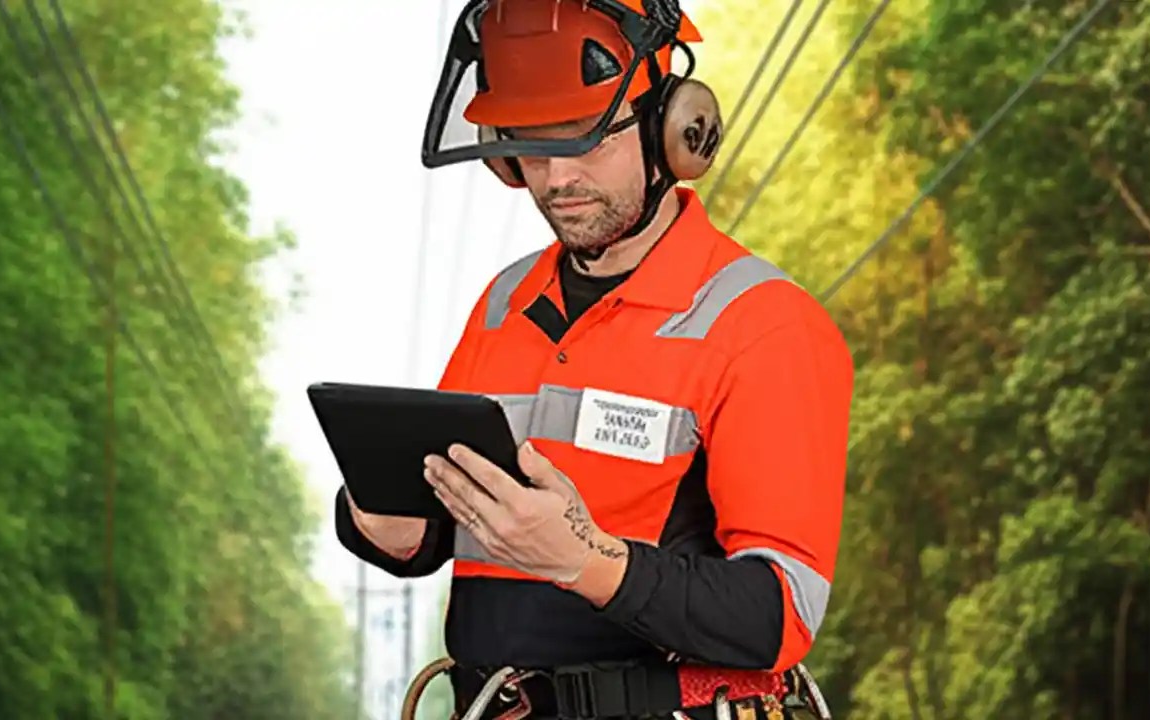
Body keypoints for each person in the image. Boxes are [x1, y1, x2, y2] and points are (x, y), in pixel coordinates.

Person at [336, 1, 853, 717]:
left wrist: (586, 560)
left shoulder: (764, 323)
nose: (555, 179)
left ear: (674, 126)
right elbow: (452, 514)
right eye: (530, 145)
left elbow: (777, 615)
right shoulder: (505, 301)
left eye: (585, 138)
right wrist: (389, 526)